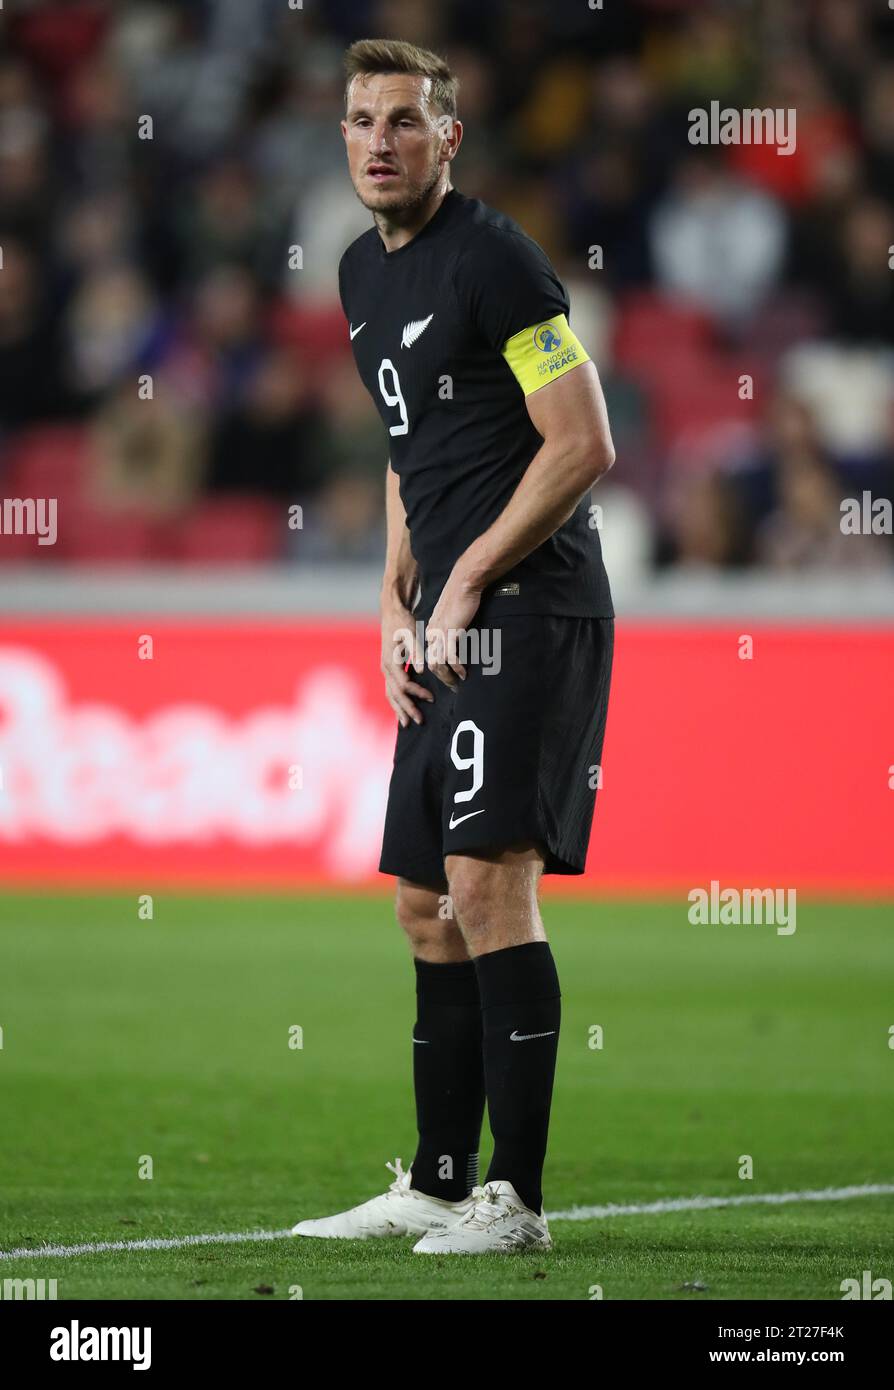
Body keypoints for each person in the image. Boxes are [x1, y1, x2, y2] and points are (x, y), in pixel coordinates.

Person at [292, 38, 615, 1255]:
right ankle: (433, 1181)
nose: (381, 140)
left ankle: (515, 1200)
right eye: (362, 120)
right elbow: (403, 445)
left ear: (449, 139)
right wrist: (394, 598)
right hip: (446, 619)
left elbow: (583, 442)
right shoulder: (358, 276)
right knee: (424, 906)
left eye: (406, 122)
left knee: (488, 886)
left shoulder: (499, 261)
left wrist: (469, 574)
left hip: (531, 607)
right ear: (344, 138)